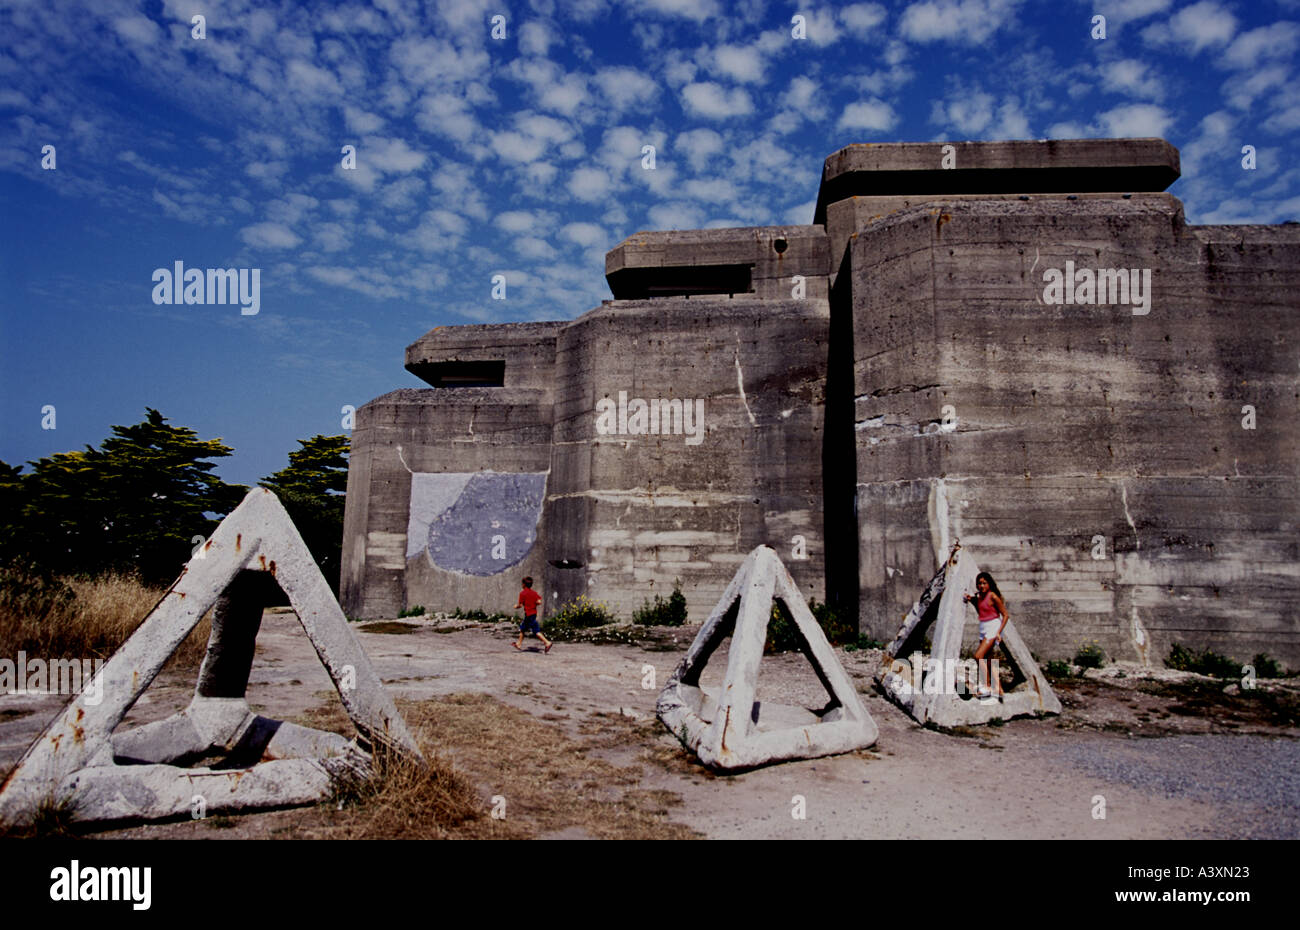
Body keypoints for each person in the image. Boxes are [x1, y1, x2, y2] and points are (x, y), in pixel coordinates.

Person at [963, 571, 1008, 700]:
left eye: (984, 583)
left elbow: (1005, 615)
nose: (982, 586)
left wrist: (999, 632)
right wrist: (970, 599)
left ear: (989, 584)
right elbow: (980, 608)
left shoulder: (993, 596)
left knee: (978, 656)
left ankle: (987, 685)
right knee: (989, 660)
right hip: (983, 627)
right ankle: (998, 688)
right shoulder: (980, 597)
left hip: (993, 627)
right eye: (979, 583)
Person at [512, 576, 552, 653]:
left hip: (529, 614)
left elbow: (520, 605)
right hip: (533, 613)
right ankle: (519, 644)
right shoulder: (534, 593)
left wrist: (515, 606)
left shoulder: (523, 593)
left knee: (536, 631)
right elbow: (539, 601)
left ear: (523, 584)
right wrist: (534, 603)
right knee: (523, 628)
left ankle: (547, 642)